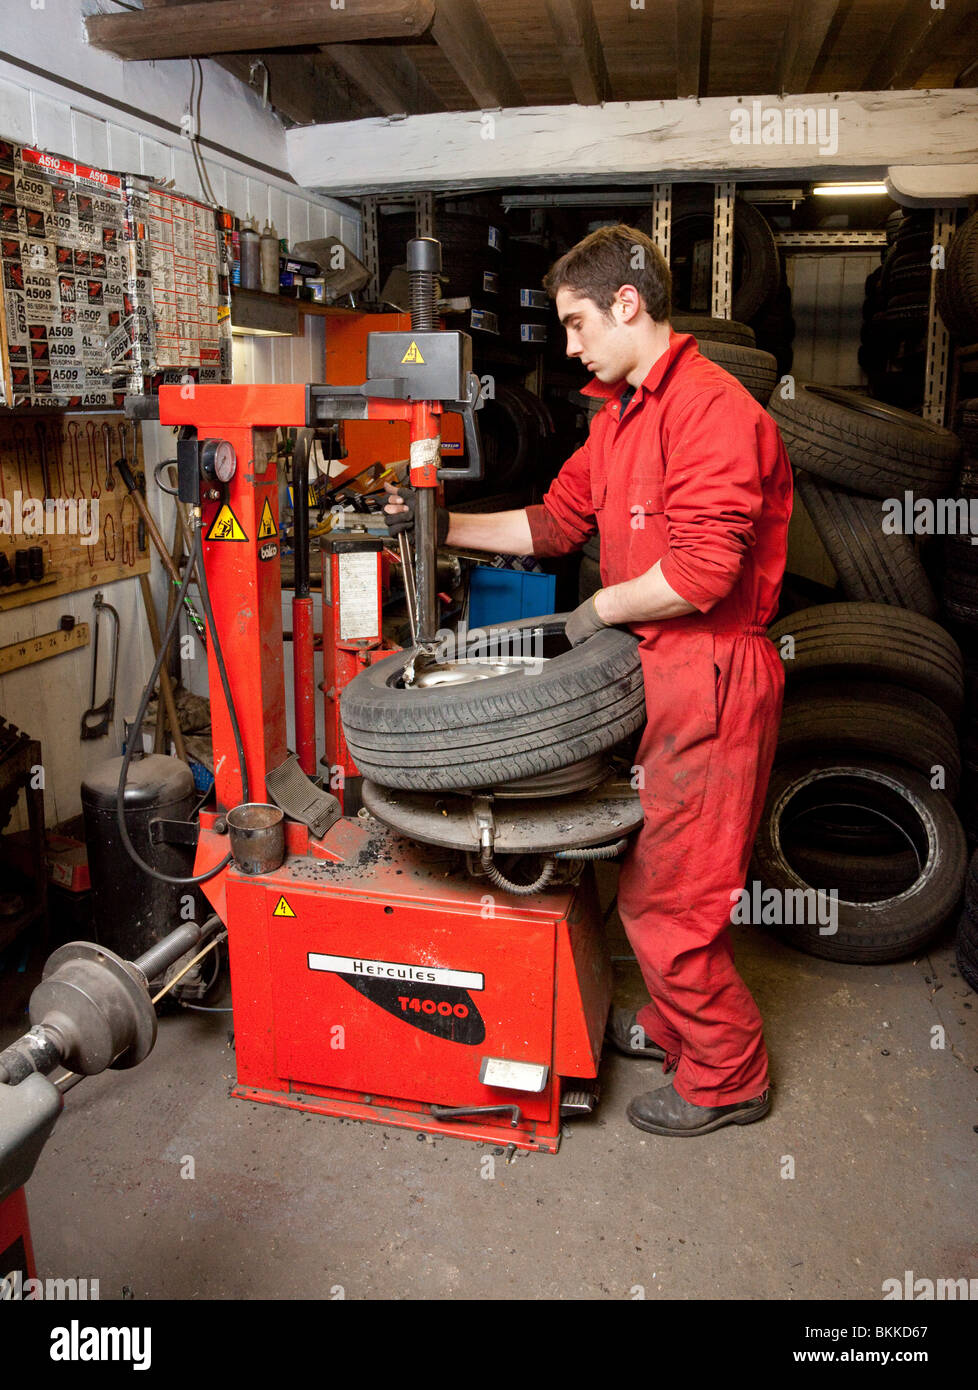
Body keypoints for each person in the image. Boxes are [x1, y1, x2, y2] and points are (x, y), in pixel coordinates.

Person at [383, 223, 793, 1138]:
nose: (568, 346)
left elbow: (700, 576)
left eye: (575, 324)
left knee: (673, 899)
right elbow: (551, 525)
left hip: (714, 677)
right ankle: (677, 1024)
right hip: (661, 674)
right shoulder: (621, 420)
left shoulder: (710, 410)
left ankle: (727, 1076)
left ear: (627, 304)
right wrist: (434, 525)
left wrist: (601, 609)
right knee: (652, 868)